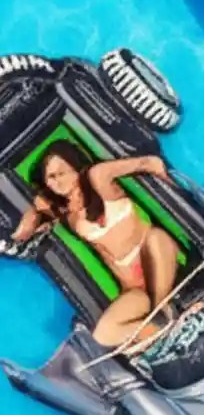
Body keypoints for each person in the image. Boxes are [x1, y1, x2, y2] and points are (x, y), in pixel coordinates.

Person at [9, 141, 183, 348]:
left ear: (76, 167)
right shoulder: (65, 212)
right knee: (103, 335)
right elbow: (24, 231)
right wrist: (29, 218)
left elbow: (149, 163)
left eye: (61, 173)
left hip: (158, 258)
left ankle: (164, 311)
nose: (56, 182)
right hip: (135, 287)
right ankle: (161, 330)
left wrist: (175, 188)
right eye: (50, 177)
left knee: (155, 238)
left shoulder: (99, 177)